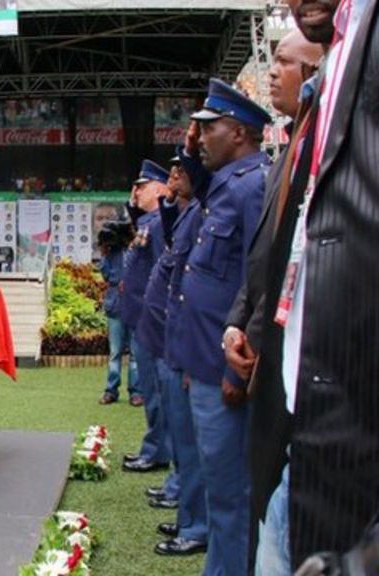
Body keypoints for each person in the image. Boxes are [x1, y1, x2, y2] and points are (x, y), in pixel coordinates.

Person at [249, 0, 379, 569]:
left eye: (285, 63)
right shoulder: (340, 62)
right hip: (303, 412)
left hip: (349, 434)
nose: (277, 74)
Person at [219, 26, 322, 575]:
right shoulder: (288, 151)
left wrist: (253, 338)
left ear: (315, 70)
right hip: (261, 351)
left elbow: (291, 263)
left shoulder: (306, 152)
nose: (272, 73)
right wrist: (236, 327)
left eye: (283, 63)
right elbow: (260, 263)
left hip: (292, 367)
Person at [174, 78, 272, 575]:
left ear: (238, 133)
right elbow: (195, 180)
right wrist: (191, 150)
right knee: (221, 492)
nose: (198, 135)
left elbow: (260, 279)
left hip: (229, 368)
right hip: (209, 363)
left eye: (208, 128)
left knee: (231, 496)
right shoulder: (230, 181)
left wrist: (238, 370)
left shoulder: (255, 184)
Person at [150, 157, 209, 556]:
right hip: (172, 339)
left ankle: (197, 524)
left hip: (190, 346)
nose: (170, 181)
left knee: (194, 446)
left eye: (178, 173)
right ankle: (190, 516)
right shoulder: (185, 215)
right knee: (185, 441)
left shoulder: (205, 210)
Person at [119, 161, 172, 477]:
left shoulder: (160, 223)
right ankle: (155, 448)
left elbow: (160, 271)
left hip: (151, 320)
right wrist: (133, 203)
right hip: (141, 318)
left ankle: (157, 451)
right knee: (152, 389)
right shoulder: (148, 221)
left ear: (162, 189)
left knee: (156, 392)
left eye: (143, 186)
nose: (136, 191)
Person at [96, 219, 138, 406]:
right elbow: (104, 274)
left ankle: (136, 392)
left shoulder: (138, 249)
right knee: (115, 352)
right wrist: (104, 251)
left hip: (136, 304)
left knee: (135, 353)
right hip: (115, 304)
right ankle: (111, 390)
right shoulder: (112, 252)